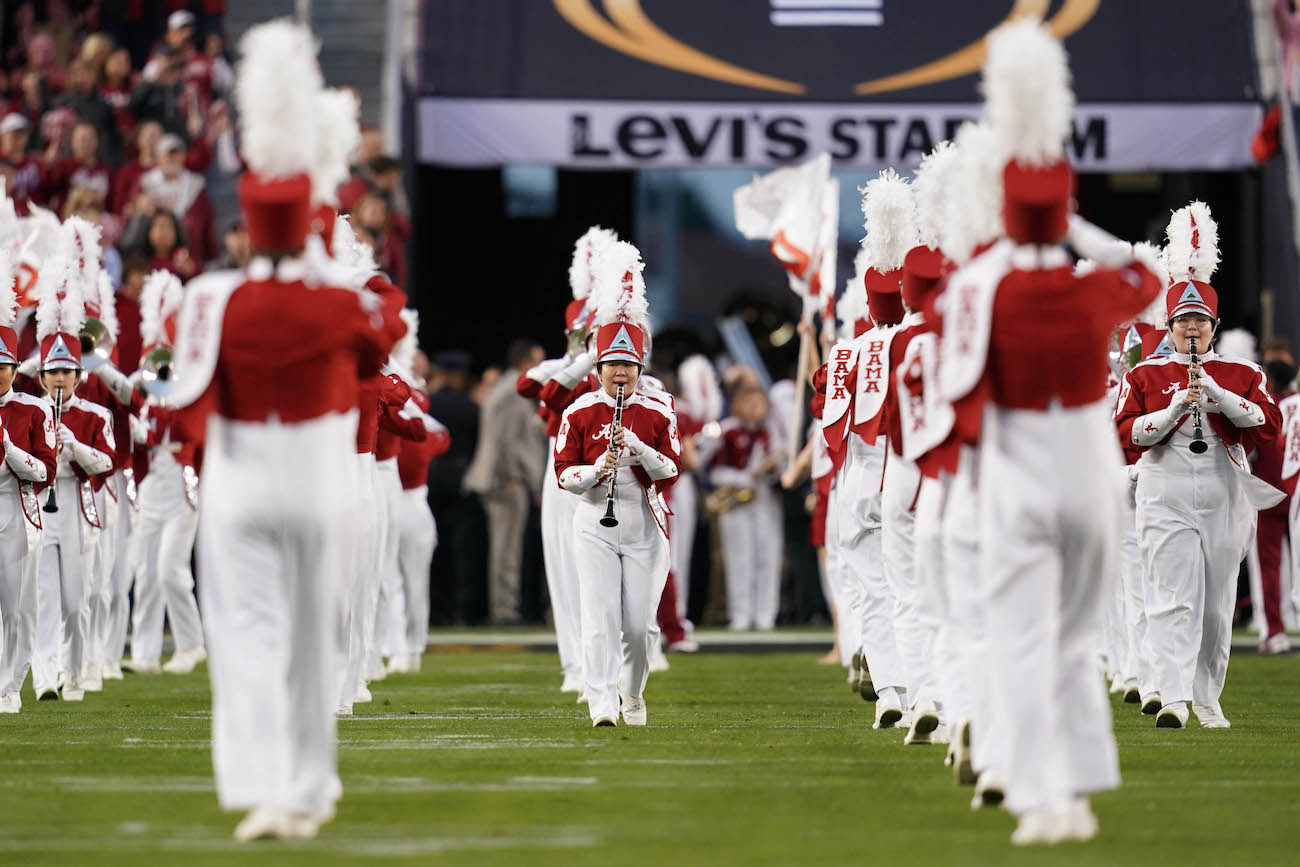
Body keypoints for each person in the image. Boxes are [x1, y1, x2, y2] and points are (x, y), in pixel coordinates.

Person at [168, 18, 407, 842]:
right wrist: (326, 251)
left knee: (247, 638)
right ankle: (310, 784)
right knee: (312, 638)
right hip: (317, 473)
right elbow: (385, 328)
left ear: (244, 224)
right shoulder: (342, 299)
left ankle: (266, 786)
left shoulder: (211, 298)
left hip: (239, 471)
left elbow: (184, 400)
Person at [968, 20, 1163, 843]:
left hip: (1016, 476)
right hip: (1089, 476)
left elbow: (950, 318)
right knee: (1078, 642)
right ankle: (1078, 792)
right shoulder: (1093, 294)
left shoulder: (983, 293)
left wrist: (1006, 235)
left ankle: (1038, 793)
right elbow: (1146, 273)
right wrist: (1073, 227)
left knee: (1020, 639)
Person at [1116, 201, 1284, 730]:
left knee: (1215, 607)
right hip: (1164, 483)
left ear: (1213, 325)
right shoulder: (1146, 373)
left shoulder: (1240, 369)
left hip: (1223, 487)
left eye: (1200, 320)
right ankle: (1170, 695)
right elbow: (1125, 432)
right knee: (1171, 597)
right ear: (1170, 324)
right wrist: (1171, 410)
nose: (1192, 328)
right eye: (1183, 320)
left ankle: (1207, 695)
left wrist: (1219, 398)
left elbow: (1269, 423)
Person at [554, 240, 680, 726]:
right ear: (600, 369)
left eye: (629, 365)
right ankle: (602, 701)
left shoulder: (658, 407)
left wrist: (639, 451)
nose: (621, 372)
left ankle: (633, 692)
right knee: (599, 617)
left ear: (639, 367)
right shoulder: (580, 410)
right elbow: (564, 472)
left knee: (639, 625)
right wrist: (596, 470)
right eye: (613, 365)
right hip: (593, 518)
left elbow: (671, 469)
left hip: (645, 518)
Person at [30, 248, 116, 702]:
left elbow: (108, 461)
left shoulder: (96, 414)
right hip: (41, 509)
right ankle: (45, 674)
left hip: (77, 508)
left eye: (66, 372)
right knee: (44, 597)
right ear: (42, 377)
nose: (59, 380)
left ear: (79, 375)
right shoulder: (30, 411)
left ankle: (75, 670)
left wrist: (75, 445)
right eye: (52, 373)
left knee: (74, 601)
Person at [122, 271, 206, 675]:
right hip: (152, 483)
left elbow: (193, 430)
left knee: (173, 568)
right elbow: (138, 431)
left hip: (181, 480)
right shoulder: (147, 400)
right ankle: (145, 652)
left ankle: (192, 644)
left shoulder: (187, 395)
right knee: (146, 569)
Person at [0, 255, 57, 713]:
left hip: (16, 508)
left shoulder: (33, 410)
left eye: (4, 365)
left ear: (15, 367)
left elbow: (46, 471)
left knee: (16, 605)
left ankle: (9, 685)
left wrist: (9, 448)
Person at [465, 339, 548, 624]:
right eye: (537, 361)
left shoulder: (508, 387)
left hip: (504, 478)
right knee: (506, 548)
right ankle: (504, 610)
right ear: (525, 363)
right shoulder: (515, 390)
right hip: (505, 480)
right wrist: (510, 475)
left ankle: (505, 607)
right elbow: (505, 440)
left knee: (506, 547)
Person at [710, 379, 782, 630]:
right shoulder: (728, 430)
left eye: (759, 402)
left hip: (764, 500)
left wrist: (771, 471)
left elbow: (781, 470)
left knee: (767, 556)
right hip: (735, 502)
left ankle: (766, 614)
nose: (754, 408)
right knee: (738, 559)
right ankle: (740, 614)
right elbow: (714, 471)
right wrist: (743, 478)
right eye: (748, 402)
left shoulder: (770, 432)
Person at [426, 349, 488, 624]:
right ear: (460, 376)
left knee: (433, 547)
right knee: (465, 550)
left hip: (431, 478)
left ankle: (436, 611)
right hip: (462, 479)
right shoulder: (471, 408)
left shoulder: (428, 404)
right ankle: (464, 611)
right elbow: (480, 447)